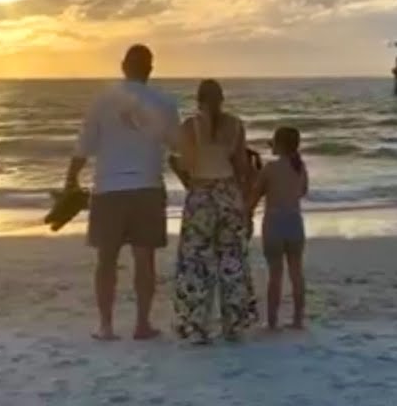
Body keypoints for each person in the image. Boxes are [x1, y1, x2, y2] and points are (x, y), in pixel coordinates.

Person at [64, 44, 180, 342]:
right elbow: (177, 146)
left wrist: (70, 180)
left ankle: (105, 325)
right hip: (148, 187)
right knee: (145, 259)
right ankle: (142, 324)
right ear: (150, 69)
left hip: (109, 189)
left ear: (122, 66)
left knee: (106, 260)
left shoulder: (102, 100)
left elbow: (84, 145)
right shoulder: (164, 102)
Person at [171, 79, 258, 343]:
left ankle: (197, 327)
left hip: (201, 195)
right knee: (232, 259)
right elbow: (242, 166)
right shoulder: (235, 125)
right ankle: (234, 325)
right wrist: (246, 204)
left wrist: (175, 166)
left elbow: (188, 163)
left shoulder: (190, 126)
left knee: (195, 262)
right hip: (228, 193)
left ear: (198, 99)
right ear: (222, 98)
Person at [249, 126, 308, 330]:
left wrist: (246, 214)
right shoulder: (300, 167)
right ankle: (298, 319)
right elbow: (302, 192)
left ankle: (272, 322)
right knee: (296, 272)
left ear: (279, 145)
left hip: (274, 222)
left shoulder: (270, 168)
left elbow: (256, 194)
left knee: (275, 274)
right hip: (294, 221)